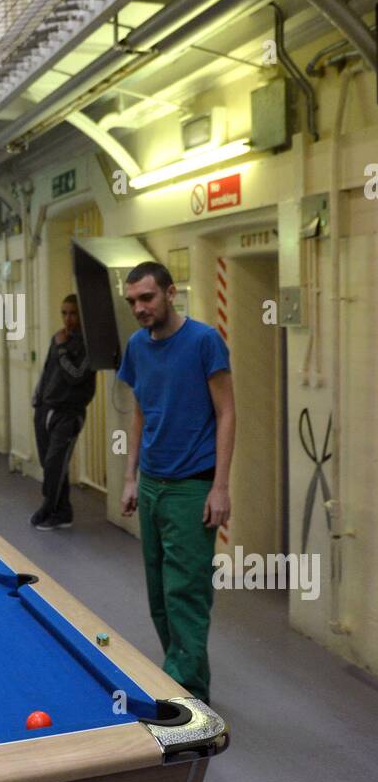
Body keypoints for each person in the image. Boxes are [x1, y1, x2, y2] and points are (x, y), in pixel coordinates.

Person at [117, 262, 235, 705]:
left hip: (192, 486)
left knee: (186, 591)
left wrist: (219, 487)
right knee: (159, 592)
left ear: (170, 293)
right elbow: (140, 411)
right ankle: (183, 682)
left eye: (147, 298)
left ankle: (185, 693)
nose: (140, 308)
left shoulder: (204, 341)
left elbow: (227, 412)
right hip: (151, 484)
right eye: (132, 302)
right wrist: (130, 478)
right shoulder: (136, 346)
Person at [31, 294, 96, 531]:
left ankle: (50, 506)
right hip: (46, 408)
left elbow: (76, 375)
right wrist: (38, 400)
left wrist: (61, 349)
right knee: (49, 463)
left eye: (73, 313)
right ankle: (62, 510)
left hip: (69, 412)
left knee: (55, 463)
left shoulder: (88, 344)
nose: (68, 319)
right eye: (64, 313)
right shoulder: (56, 338)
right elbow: (48, 370)